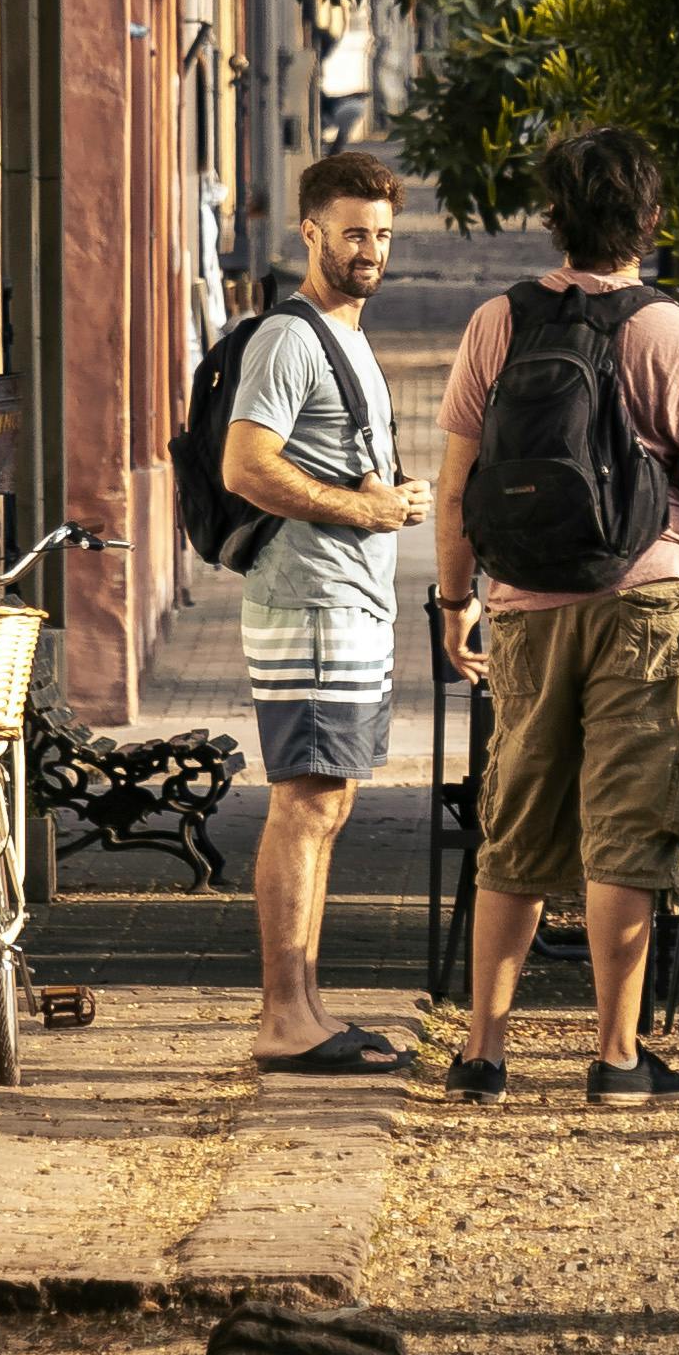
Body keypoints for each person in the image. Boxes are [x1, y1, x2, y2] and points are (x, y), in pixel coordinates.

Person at [436, 124, 679, 1108]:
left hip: (526, 606)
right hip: (650, 597)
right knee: (628, 821)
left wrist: (455, 601)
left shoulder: (494, 323)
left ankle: (482, 1054)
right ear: (650, 219)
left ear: (555, 219)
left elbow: (457, 483)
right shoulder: (668, 332)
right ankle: (616, 1056)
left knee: (516, 821)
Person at [221, 148, 428, 1074]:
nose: (370, 250)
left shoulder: (346, 334)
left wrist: (387, 499)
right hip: (306, 604)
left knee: (330, 800)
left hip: (346, 606)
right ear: (311, 231)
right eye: (353, 233)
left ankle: (305, 1008)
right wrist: (367, 509)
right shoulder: (292, 337)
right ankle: (281, 1017)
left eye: (382, 234)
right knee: (305, 801)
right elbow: (246, 466)